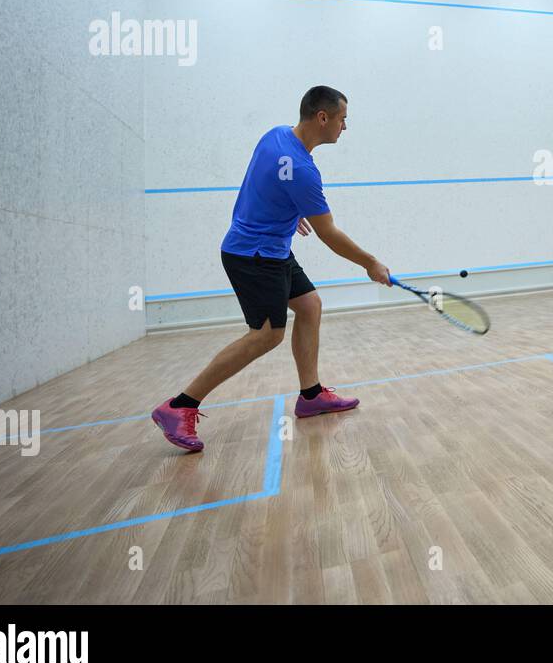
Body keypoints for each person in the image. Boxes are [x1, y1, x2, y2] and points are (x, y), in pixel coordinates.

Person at [151, 86, 392, 451]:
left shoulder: (275, 136)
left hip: (270, 249)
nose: (345, 126)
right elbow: (327, 232)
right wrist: (370, 263)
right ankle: (180, 405)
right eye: (343, 119)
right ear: (322, 117)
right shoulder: (303, 172)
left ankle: (310, 395)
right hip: (254, 256)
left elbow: (260, 181)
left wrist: (286, 210)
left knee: (310, 306)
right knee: (266, 334)